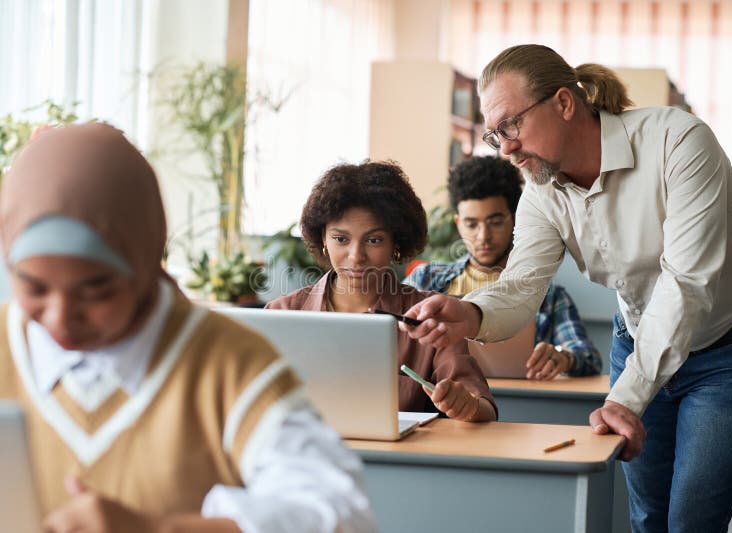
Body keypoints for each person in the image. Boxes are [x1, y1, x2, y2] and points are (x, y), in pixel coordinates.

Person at [400, 44, 732, 532]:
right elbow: (520, 287)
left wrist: (625, 397)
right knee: (648, 518)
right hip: (637, 342)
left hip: (726, 350)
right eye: (495, 136)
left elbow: (686, 283)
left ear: (563, 103)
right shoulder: (541, 190)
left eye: (511, 126)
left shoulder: (677, 141)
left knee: (693, 523)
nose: (506, 147)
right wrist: (470, 313)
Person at [0, 123, 375, 533]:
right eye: (33, 286)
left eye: (96, 290)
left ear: (143, 260)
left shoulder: (228, 363)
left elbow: (341, 515)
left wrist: (158, 529)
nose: (59, 316)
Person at [266, 161, 497, 422]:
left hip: (397, 459)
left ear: (395, 243)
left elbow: (483, 408)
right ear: (323, 239)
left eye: (374, 240)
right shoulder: (281, 314)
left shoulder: (431, 317)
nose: (356, 257)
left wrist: (467, 406)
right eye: (341, 239)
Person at [404, 155, 602, 380]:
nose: (483, 237)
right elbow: (391, 340)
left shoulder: (549, 296)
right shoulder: (424, 281)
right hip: (436, 401)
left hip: (517, 404)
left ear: (516, 219)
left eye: (495, 222)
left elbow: (588, 357)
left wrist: (562, 357)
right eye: (471, 224)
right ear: (458, 224)